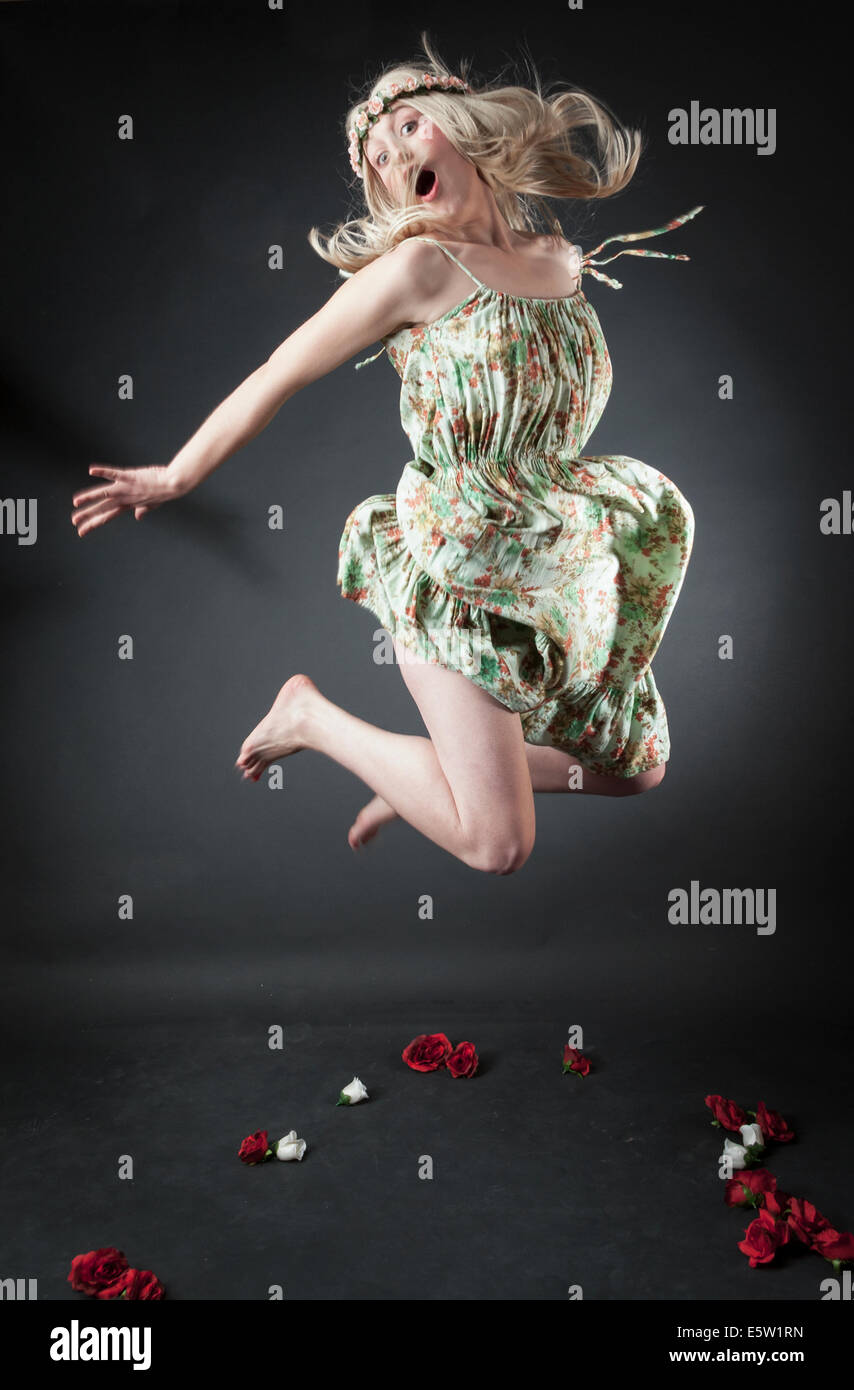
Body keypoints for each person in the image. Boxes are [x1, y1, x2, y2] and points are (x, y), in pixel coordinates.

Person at [71, 33, 703, 875]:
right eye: (377, 156)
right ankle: (315, 721)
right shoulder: (419, 268)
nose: (395, 156)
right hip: (456, 564)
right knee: (499, 846)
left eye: (408, 128)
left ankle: (429, 783)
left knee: (637, 769)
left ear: (457, 124)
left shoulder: (560, 259)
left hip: (552, 551)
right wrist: (178, 473)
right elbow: (276, 373)